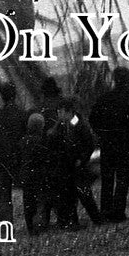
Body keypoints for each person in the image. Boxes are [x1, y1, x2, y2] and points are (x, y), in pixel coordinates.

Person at [89, 66, 129, 222]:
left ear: (114, 79)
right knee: (123, 179)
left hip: (108, 144)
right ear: (128, 79)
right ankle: (118, 212)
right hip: (125, 145)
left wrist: (101, 134)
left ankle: (105, 211)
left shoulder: (106, 97)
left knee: (107, 179)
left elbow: (93, 118)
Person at [47, 96, 104, 229]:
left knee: (83, 193)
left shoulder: (78, 124)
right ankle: (74, 221)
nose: (59, 115)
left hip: (78, 164)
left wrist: (82, 159)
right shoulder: (62, 125)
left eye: (60, 112)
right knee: (70, 194)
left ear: (68, 111)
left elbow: (89, 143)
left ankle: (96, 219)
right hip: (68, 164)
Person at [0, 81, 27, 224]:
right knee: (28, 191)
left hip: (0, 160)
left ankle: (6, 225)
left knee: (3, 194)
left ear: (2, 97)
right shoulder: (23, 114)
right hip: (20, 158)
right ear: (14, 95)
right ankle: (32, 224)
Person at [19, 112, 53, 235]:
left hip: (26, 174)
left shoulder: (23, 141)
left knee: (28, 202)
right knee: (41, 200)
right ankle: (40, 225)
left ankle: (30, 227)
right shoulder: (42, 141)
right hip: (39, 174)